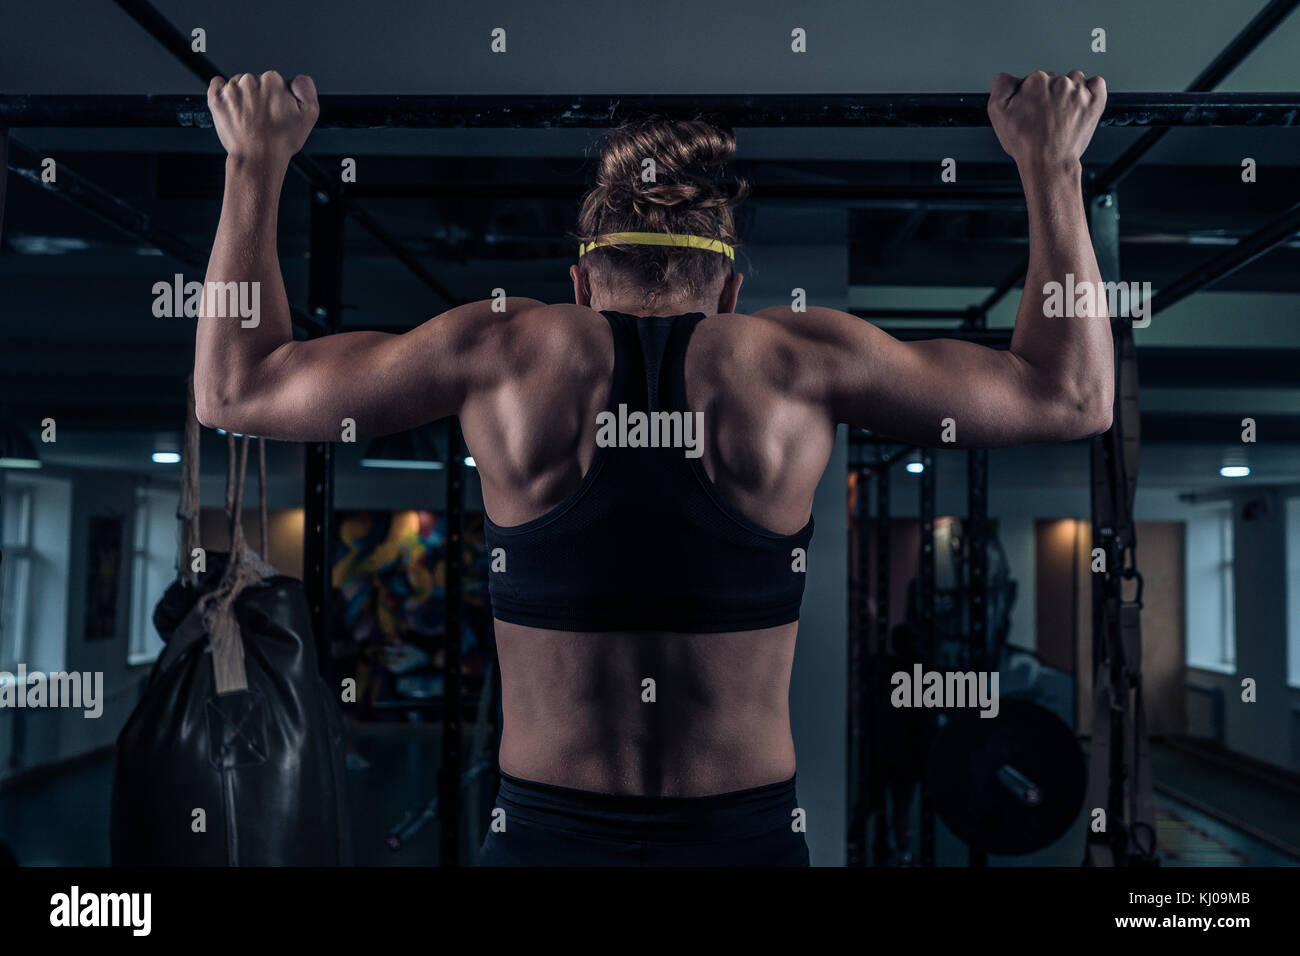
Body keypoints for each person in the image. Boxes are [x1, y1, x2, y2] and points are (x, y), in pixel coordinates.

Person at [196, 69, 1112, 866]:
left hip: (543, 839)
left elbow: (234, 392)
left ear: (583, 282)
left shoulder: (501, 347)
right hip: (746, 840)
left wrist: (255, 159)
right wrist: (1052, 162)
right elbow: (1071, 397)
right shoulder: (801, 362)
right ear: (730, 290)